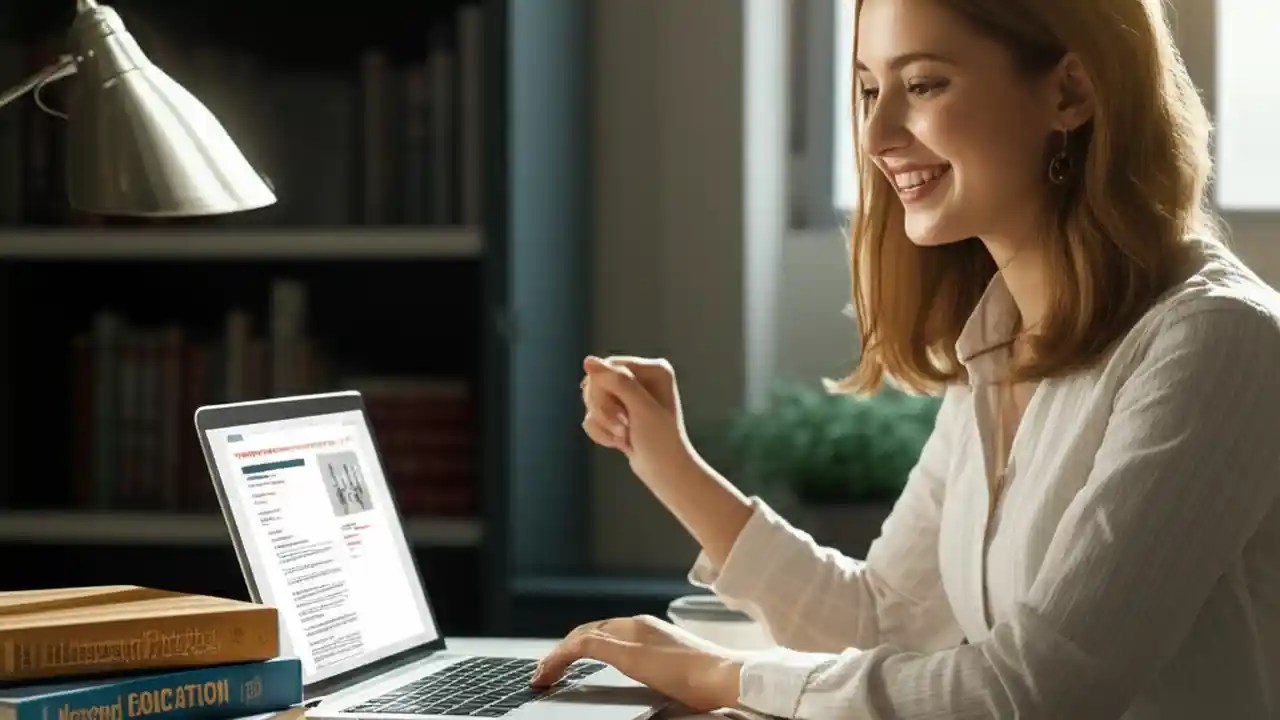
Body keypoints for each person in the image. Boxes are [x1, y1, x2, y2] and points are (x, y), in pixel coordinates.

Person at [530, 0, 1280, 717]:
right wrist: (666, 460)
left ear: (1070, 91)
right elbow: (884, 617)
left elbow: (1040, 692)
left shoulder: (1214, 339)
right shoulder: (1003, 341)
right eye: (866, 89)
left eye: (922, 85)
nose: (876, 133)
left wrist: (719, 675)